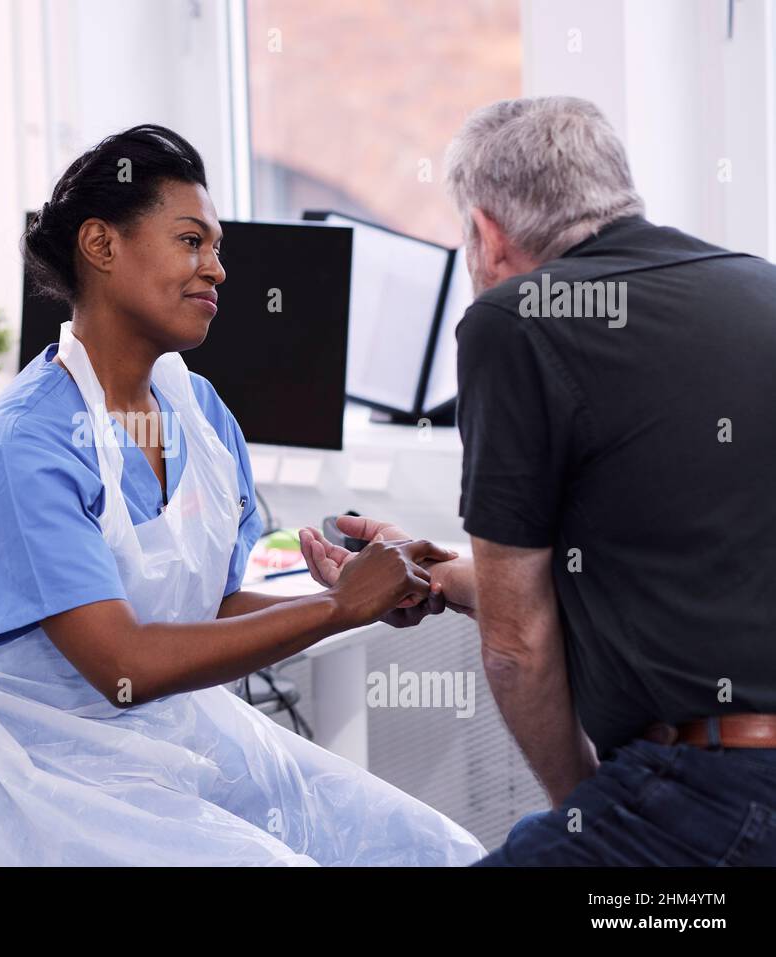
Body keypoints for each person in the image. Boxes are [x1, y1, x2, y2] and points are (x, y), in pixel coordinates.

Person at [0, 124, 485, 866]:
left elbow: (204, 610)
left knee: (436, 848)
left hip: (161, 737)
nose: (215, 269)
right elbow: (125, 668)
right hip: (36, 768)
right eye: (190, 241)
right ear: (102, 245)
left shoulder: (201, 416)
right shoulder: (24, 450)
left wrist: (363, 596)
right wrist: (335, 607)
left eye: (217, 248)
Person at [319, 96, 776, 866]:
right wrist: (442, 574)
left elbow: (515, 647)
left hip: (709, 794)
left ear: (488, 233)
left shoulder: (515, 319)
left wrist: (583, 808)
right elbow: (666, 574)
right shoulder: (756, 287)